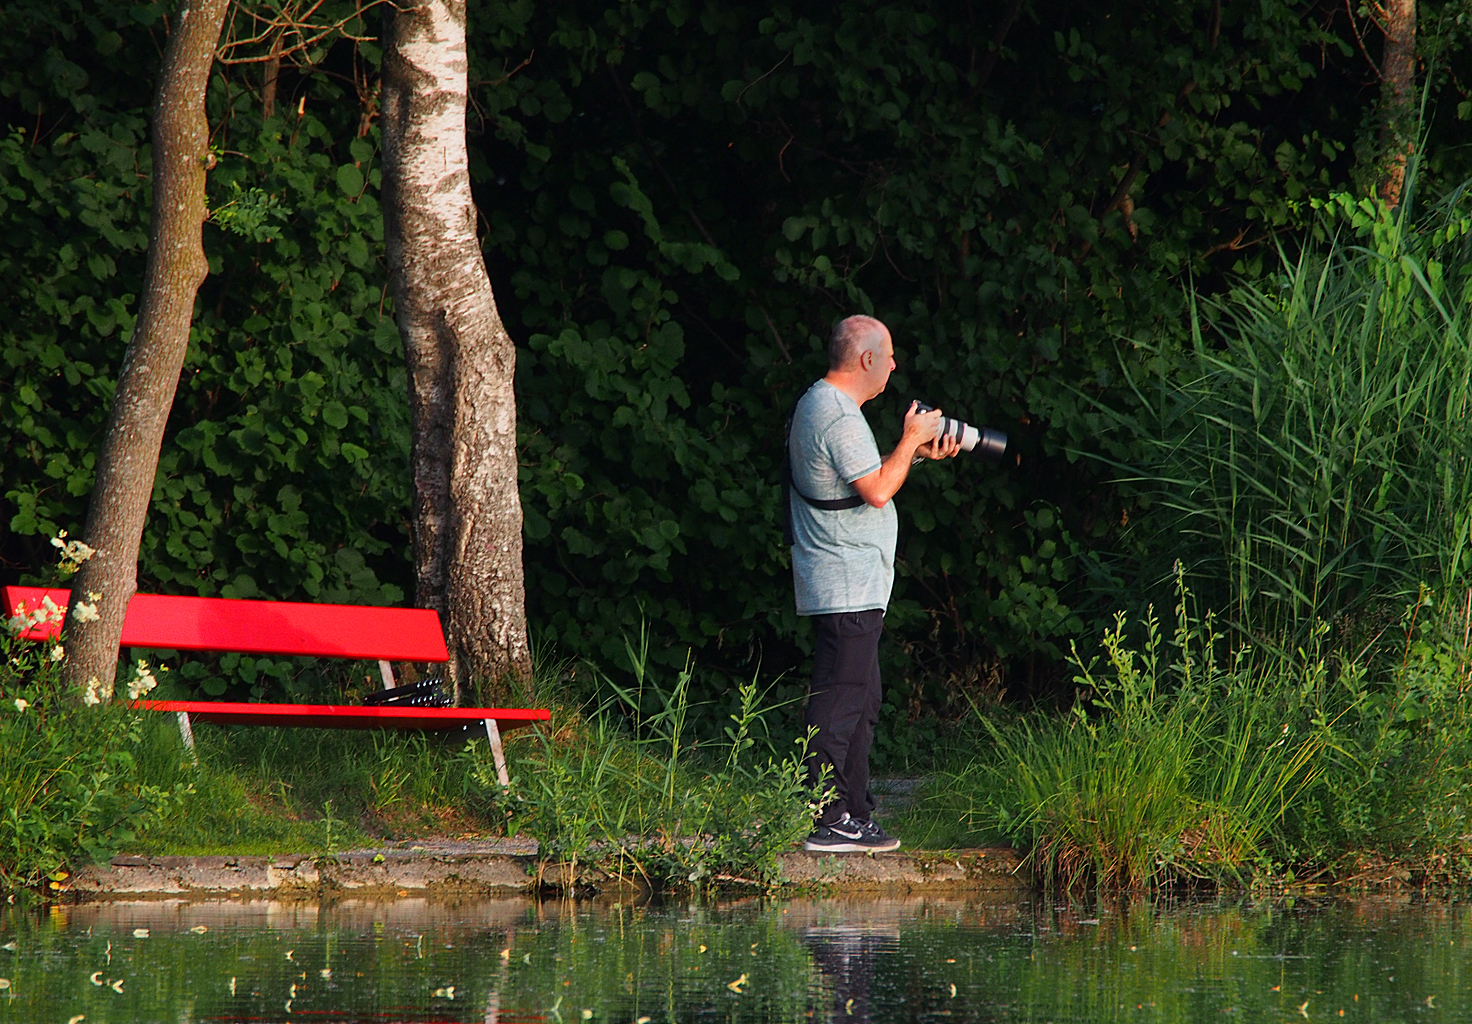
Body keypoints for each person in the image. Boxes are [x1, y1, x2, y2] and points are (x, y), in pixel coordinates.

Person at [787, 314, 960, 853]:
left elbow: (866, 478)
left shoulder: (829, 406)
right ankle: (827, 819)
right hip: (844, 582)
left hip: (854, 582)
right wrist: (910, 440)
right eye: (888, 355)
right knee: (841, 701)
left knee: (862, 700)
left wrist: (914, 453)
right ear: (866, 359)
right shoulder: (835, 415)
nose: (893, 365)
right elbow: (880, 490)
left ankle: (854, 813)